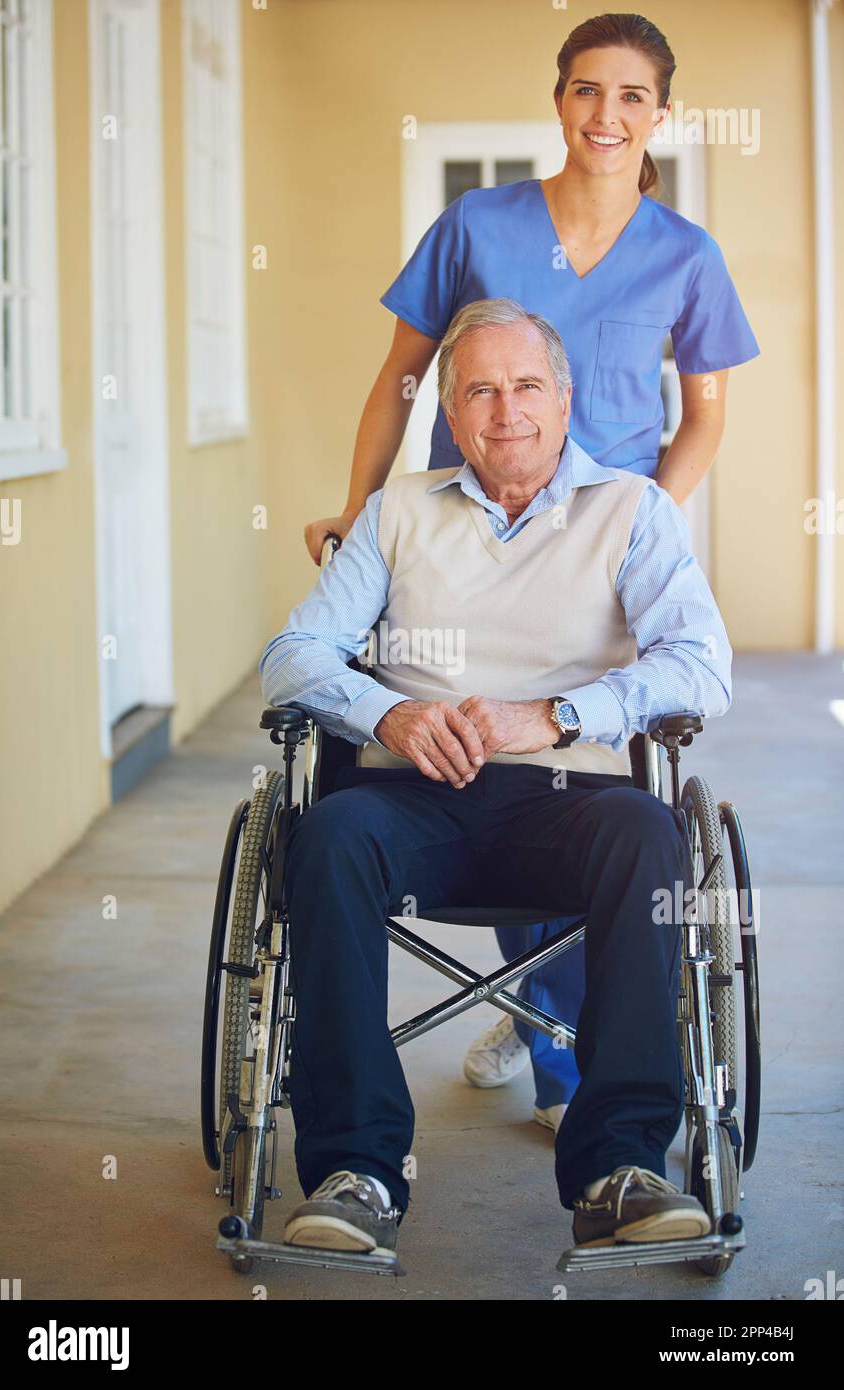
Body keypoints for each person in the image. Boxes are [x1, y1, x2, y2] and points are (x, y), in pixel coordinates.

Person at [301, 12, 759, 1128]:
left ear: (661, 115)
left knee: (579, 760)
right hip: (470, 530)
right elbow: (403, 378)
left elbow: (702, 415)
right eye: (585, 91)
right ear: (558, 102)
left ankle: (554, 1029)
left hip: (599, 546)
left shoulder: (683, 254)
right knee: (471, 729)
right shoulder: (478, 224)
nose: (607, 115)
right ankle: (547, 1020)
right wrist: (362, 512)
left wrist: (640, 521)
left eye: (631, 97)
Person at [260, 298, 733, 1255]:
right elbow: (293, 654)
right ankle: (357, 1172)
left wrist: (556, 713)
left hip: (569, 799)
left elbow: (702, 665)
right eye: (479, 389)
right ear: (454, 411)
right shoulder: (398, 513)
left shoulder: (632, 512)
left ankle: (619, 1167)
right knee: (329, 837)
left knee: (649, 832)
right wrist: (384, 711)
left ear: (564, 401)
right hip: (407, 795)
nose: (505, 409)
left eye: (526, 386)